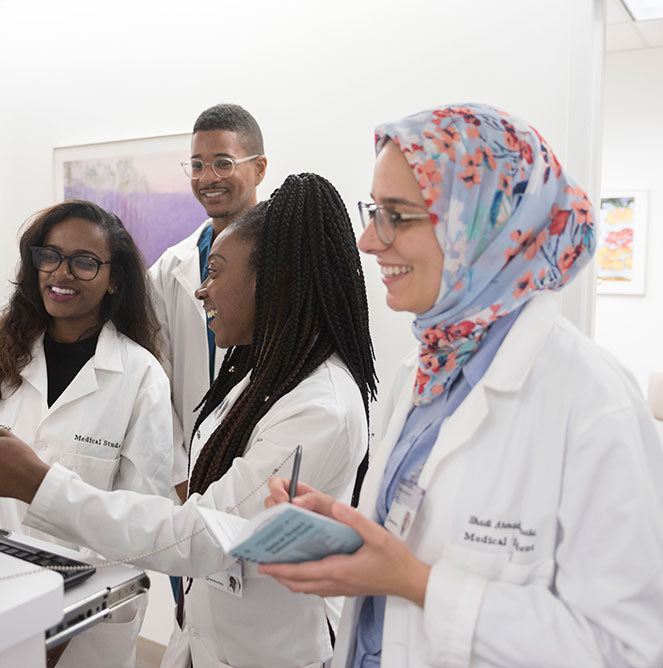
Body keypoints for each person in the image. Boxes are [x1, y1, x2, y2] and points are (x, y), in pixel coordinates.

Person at [260, 104, 663, 667]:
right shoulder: (425, 374)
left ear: (487, 223)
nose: (367, 241)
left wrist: (419, 583)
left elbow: (627, 650)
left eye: (396, 215)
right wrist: (351, 534)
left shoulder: (592, 400)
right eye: (374, 210)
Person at [0, 172, 378, 668]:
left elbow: (205, 536)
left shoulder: (320, 408)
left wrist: (38, 485)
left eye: (217, 272)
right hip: (199, 639)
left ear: (273, 283)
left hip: (260, 652)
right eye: (51, 257)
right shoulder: (255, 381)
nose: (202, 292)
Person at [0, 200, 174, 668]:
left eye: (84, 262)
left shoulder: (140, 377)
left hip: (88, 620)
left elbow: (143, 519)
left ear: (113, 279)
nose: (61, 273)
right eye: (50, 256)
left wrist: (65, 612)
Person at [149, 103, 268, 501]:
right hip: (188, 480)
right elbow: (155, 385)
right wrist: (181, 478)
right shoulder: (169, 271)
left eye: (223, 163)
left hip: (270, 460)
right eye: (197, 165)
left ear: (259, 168)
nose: (207, 178)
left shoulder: (289, 261)